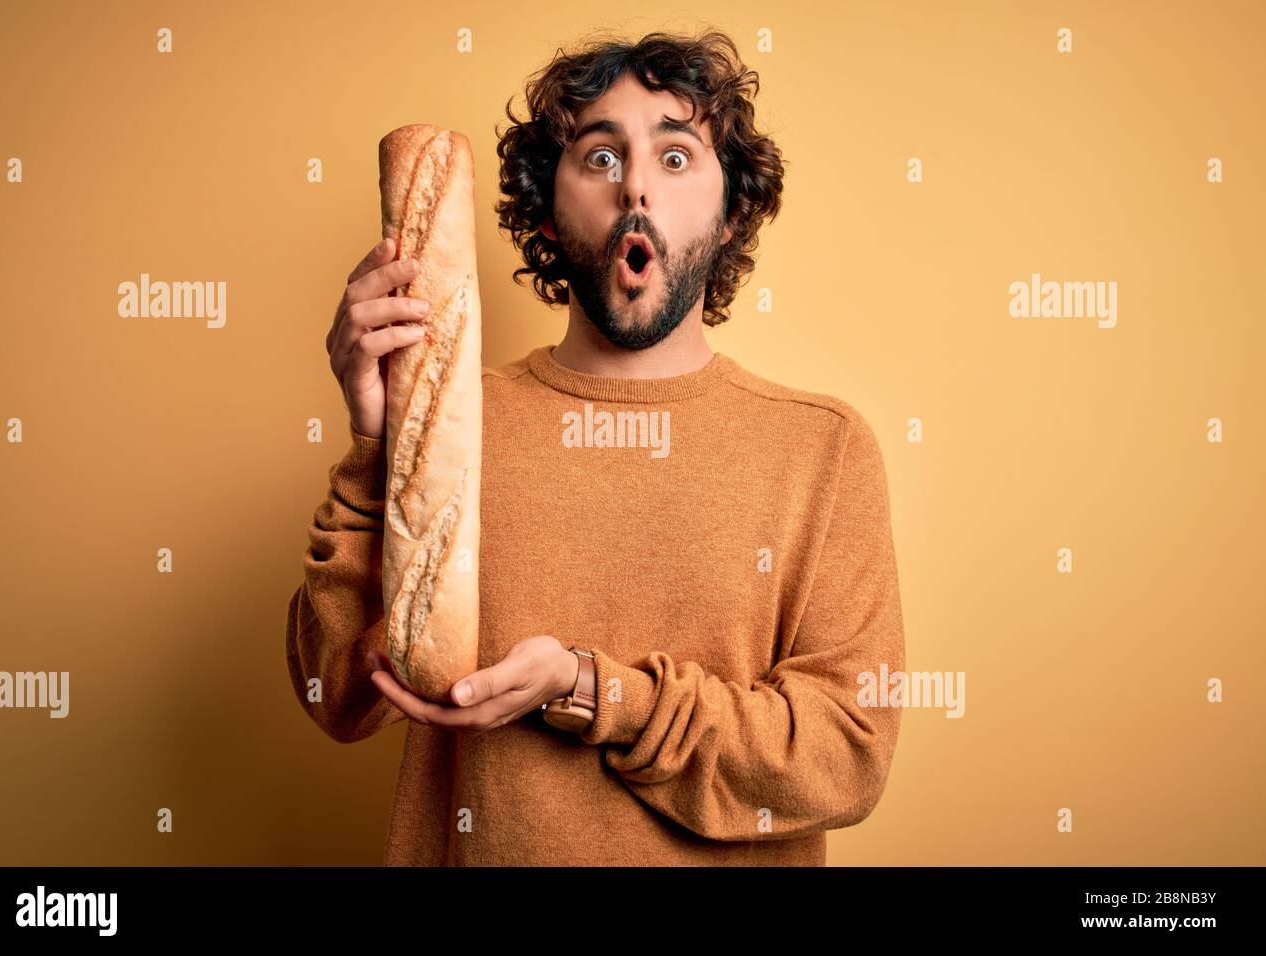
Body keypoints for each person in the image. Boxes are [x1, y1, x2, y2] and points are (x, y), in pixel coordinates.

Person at [287, 29, 906, 866]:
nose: (637, 186)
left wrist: (592, 690)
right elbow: (335, 696)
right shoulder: (450, 426)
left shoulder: (821, 449)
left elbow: (845, 758)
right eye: (600, 158)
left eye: (677, 156)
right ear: (546, 212)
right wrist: (375, 439)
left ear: (729, 218)